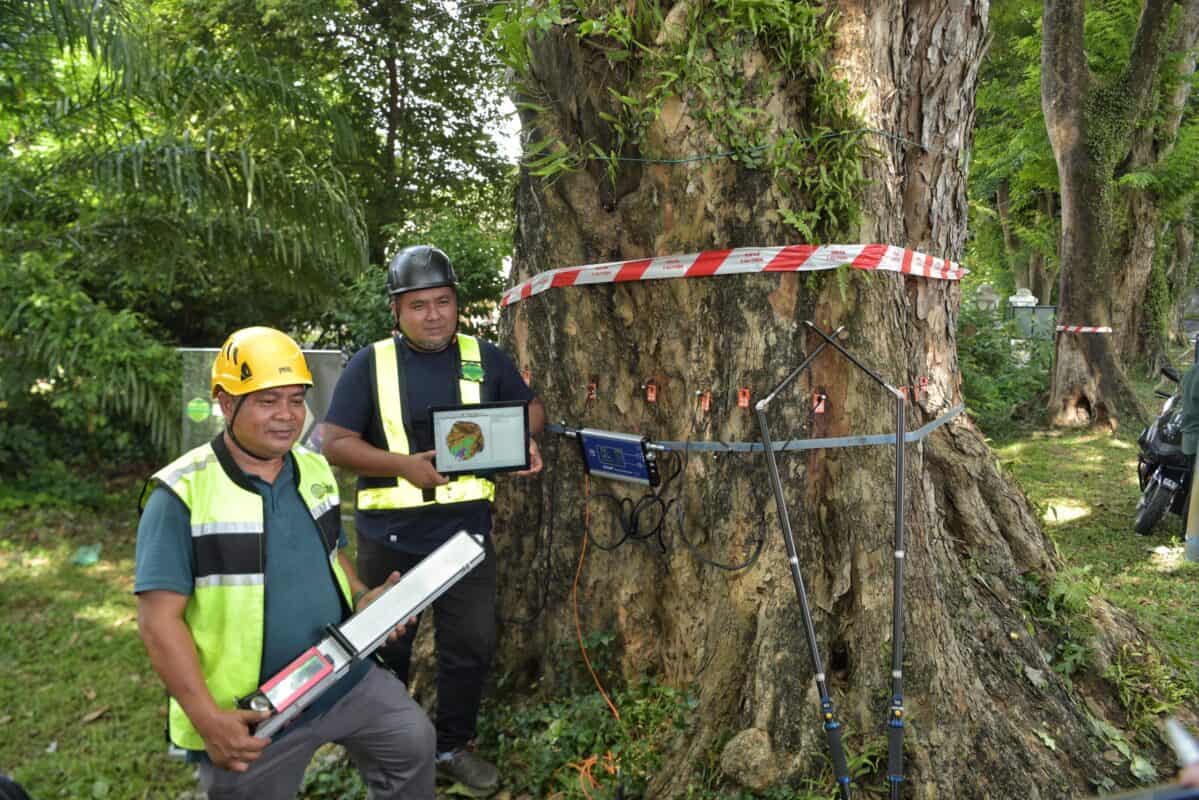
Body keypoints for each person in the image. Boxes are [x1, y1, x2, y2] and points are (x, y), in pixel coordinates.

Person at [135, 327, 435, 800]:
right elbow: (157, 620)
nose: (286, 416)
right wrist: (207, 719)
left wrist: (362, 599)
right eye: (268, 401)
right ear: (226, 403)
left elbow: (331, 552)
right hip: (255, 710)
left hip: (341, 672)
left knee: (410, 740)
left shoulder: (313, 468)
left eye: (296, 400)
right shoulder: (181, 495)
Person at [321, 245, 544, 797]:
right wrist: (402, 466)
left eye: (443, 301)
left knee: (469, 646)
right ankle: (384, 748)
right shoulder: (369, 364)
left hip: (466, 538)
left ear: (457, 304)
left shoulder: (482, 355)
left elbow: (531, 406)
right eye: (419, 305)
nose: (433, 315)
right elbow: (333, 442)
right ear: (396, 310)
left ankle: (453, 746)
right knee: (389, 649)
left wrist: (522, 436)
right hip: (390, 540)